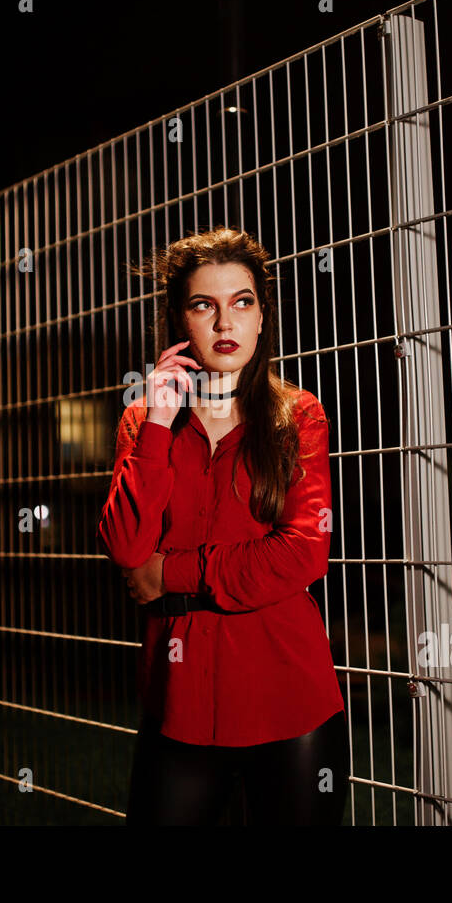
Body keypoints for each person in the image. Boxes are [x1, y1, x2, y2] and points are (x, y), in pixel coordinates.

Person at [97, 226, 349, 825]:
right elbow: (128, 547)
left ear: (262, 318)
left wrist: (173, 573)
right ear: (179, 322)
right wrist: (159, 420)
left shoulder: (299, 417)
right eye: (203, 305)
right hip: (178, 707)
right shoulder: (143, 422)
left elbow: (302, 554)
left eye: (242, 302)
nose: (224, 323)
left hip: (291, 707)